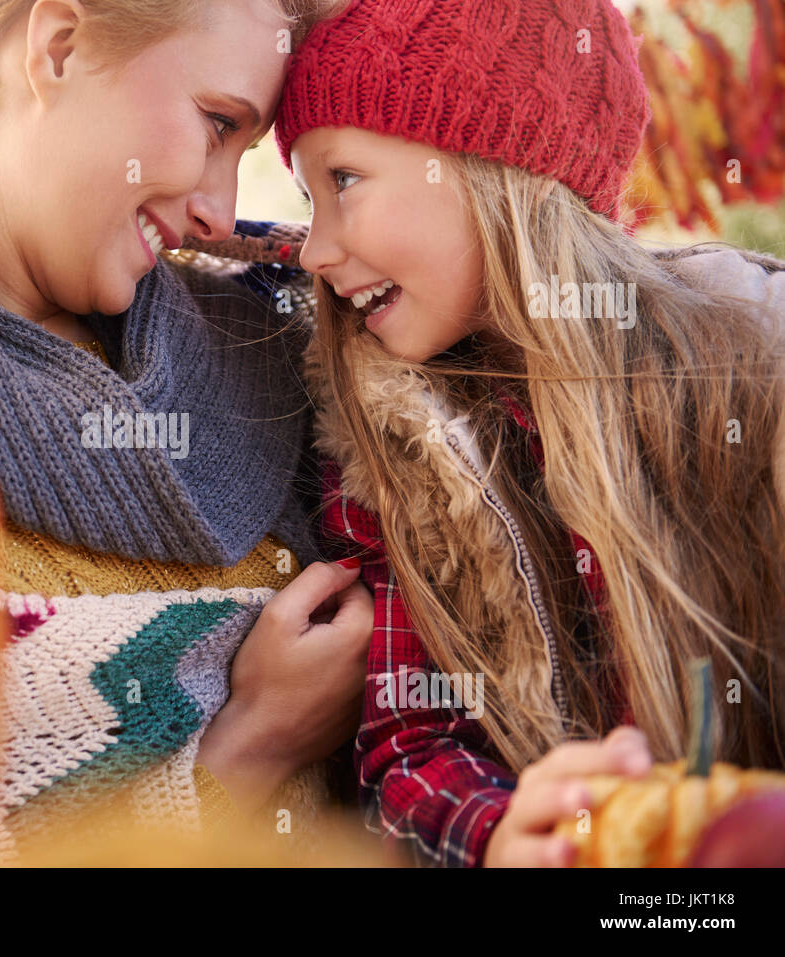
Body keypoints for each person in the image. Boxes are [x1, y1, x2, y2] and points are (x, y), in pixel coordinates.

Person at [275, 0, 785, 867]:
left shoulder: (746, 375)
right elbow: (411, 742)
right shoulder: (390, 445)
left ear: (493, 167)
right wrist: (499, 828)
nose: (313, 250)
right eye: (305, 198)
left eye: (344, 180)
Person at [0, 0, 369, 863]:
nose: (220, 208)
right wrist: (252, 747)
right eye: (216, 123)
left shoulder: (285, 346)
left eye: (244, 152)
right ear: (59, 47)